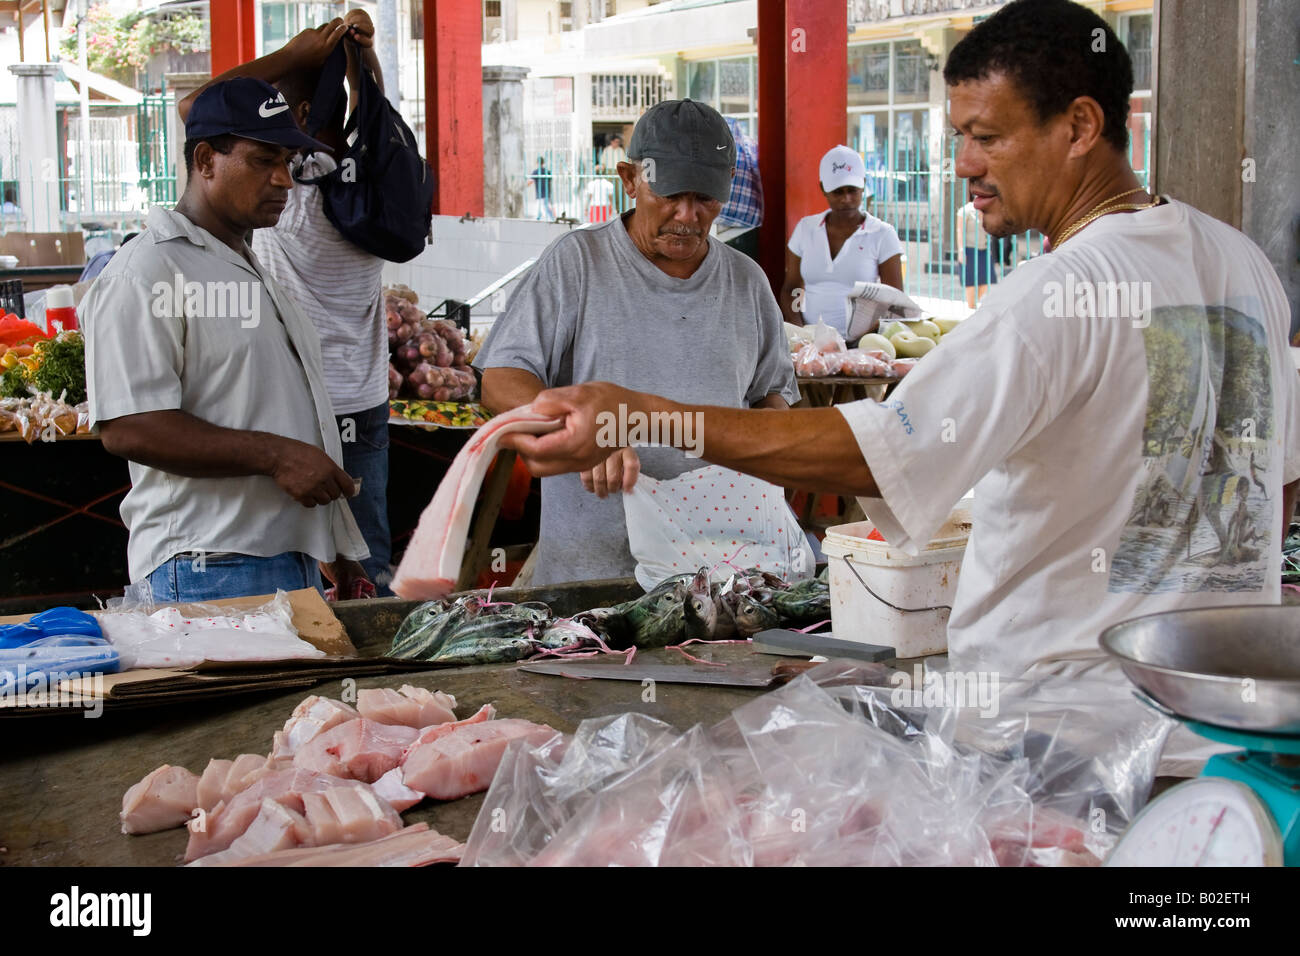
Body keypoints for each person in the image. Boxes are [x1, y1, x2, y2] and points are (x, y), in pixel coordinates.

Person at [500, 0, 1300, 770]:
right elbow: (1280, 488)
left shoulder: (1050, 297)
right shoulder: (1242, 265)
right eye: (959, 136)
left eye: (986, 137)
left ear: (1080, 127)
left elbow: (870, 456)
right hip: (1213, 744)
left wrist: (646, 416)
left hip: (1055, 742)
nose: (964, 167)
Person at [475, 98, 799, 588]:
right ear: (630, 179)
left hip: (718, 573)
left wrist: (769, 465)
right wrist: (585, 430)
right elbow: (500, 381)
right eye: (670, 195)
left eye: (706, 198)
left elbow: (772, 399)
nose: (688, 216)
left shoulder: (746, 282)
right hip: (592, 576)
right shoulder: (578, 262)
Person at [81, 76, 370, 603]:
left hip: (288, 557)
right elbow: (128, 426)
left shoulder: (246, 266)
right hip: (208, 565)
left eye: (288, 162)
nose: (284, 180)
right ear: (207, 159)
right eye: (264, 160)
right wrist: (276, 456)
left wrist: (336, 548)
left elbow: (273, 407)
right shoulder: (147, 270)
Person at [177, 14, 395, 595]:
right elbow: (372, 113)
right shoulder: (370, 183)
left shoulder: (285, 192)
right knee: (362, 562)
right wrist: (361, 63)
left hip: (295, 407)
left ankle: (332, 668)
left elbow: (200, 108)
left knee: (299, 566)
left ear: (296, 121)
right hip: (366, 396)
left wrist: (292, 52)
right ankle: (373, 671)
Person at [780, 145, 904, 334]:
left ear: (863, 184)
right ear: (823, 188)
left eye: (852, 190)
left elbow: (894, 300)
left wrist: (865, 338)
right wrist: (800, 330)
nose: (846, 199)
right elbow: (792, 289)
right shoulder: (806, 229)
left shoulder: (882, 234)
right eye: (838, 191)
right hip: (812, 341)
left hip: (863, 346)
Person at [955, 199, 996, 308]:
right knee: (970, 283)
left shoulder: (987, 211)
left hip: (984, 249)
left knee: (985, 281)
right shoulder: (966, 210)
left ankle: (980, 308)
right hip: (970, 250)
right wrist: (961, 250)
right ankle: (972, 307)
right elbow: (960, 231)